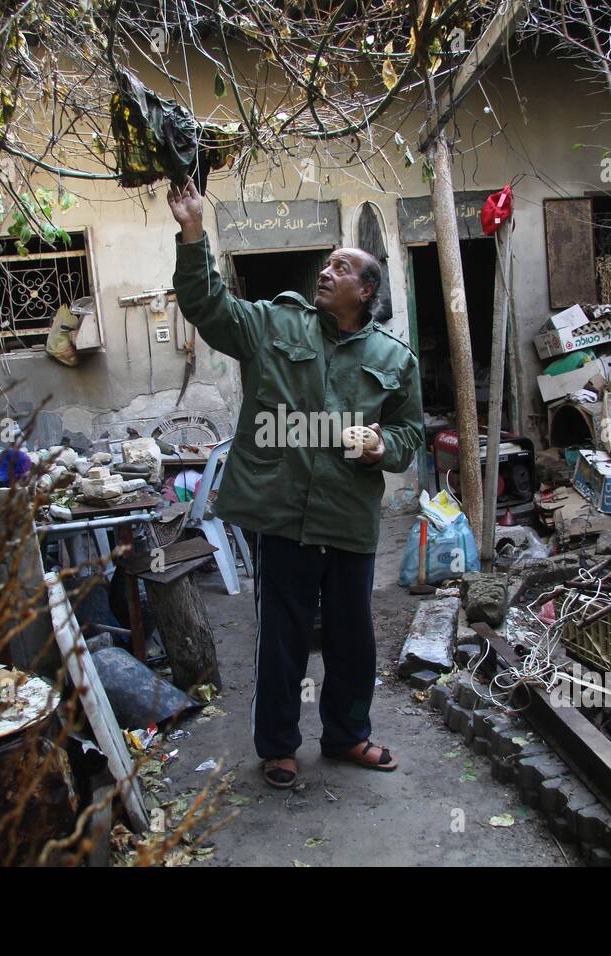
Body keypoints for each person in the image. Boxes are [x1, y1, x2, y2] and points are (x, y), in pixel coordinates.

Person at [167, 179, 423, 789]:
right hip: (283, 514)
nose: (326, 272)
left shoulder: (395, 359)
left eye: (342, 267)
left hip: (349, 518)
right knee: (281, 640)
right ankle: (278, 746)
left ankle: (347, 735)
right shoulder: (274, 324)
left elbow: (410, 431)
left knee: (352, 639)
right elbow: (209, 309)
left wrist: (384, 446)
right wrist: (193, 231)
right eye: (326, 263)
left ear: (366, 291)